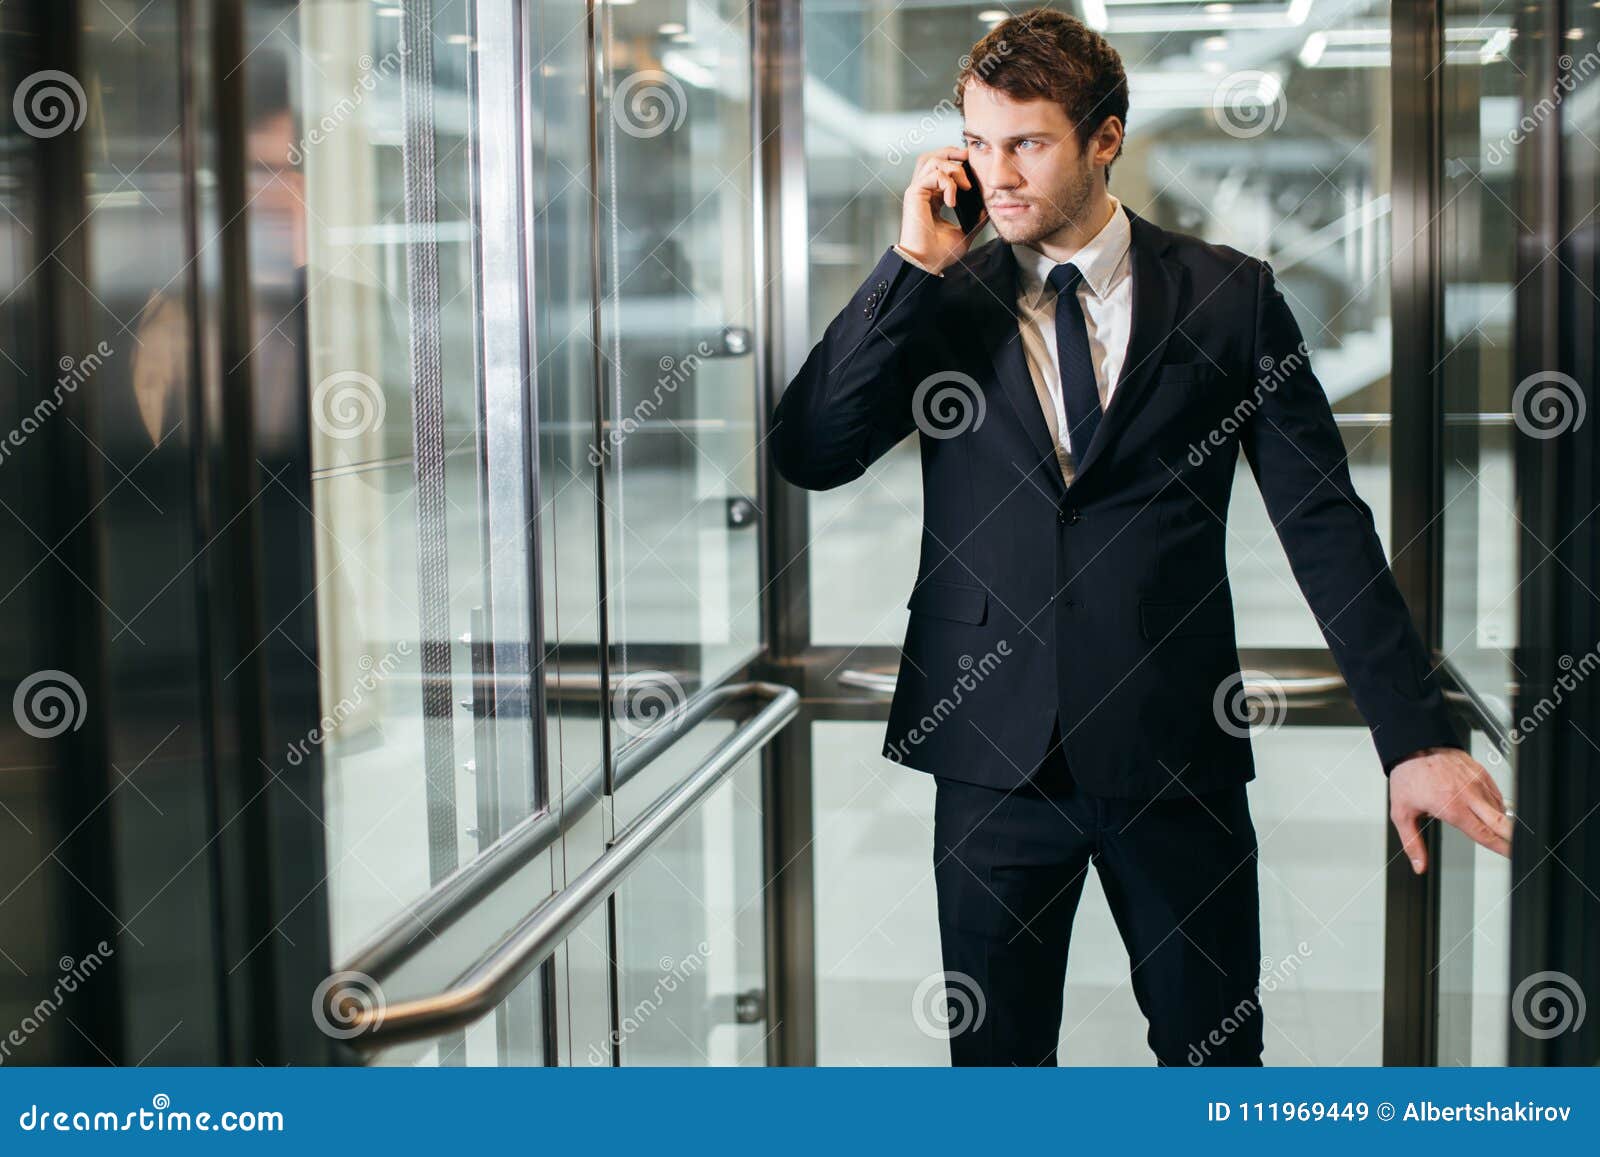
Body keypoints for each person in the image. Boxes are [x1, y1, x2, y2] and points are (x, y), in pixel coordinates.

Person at [770, 8, 1512, 1067]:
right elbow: (811, 448)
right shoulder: (943, 301)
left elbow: (1323, 522)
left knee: (1213, 1057)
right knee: (996, 1066)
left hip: (1174, 747)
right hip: (990, 751)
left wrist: (1416, 734)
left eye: (1026, 142)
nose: (998, 173)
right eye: (977, 142)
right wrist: (907, 262)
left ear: (1104, 138)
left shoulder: (1229, 298)